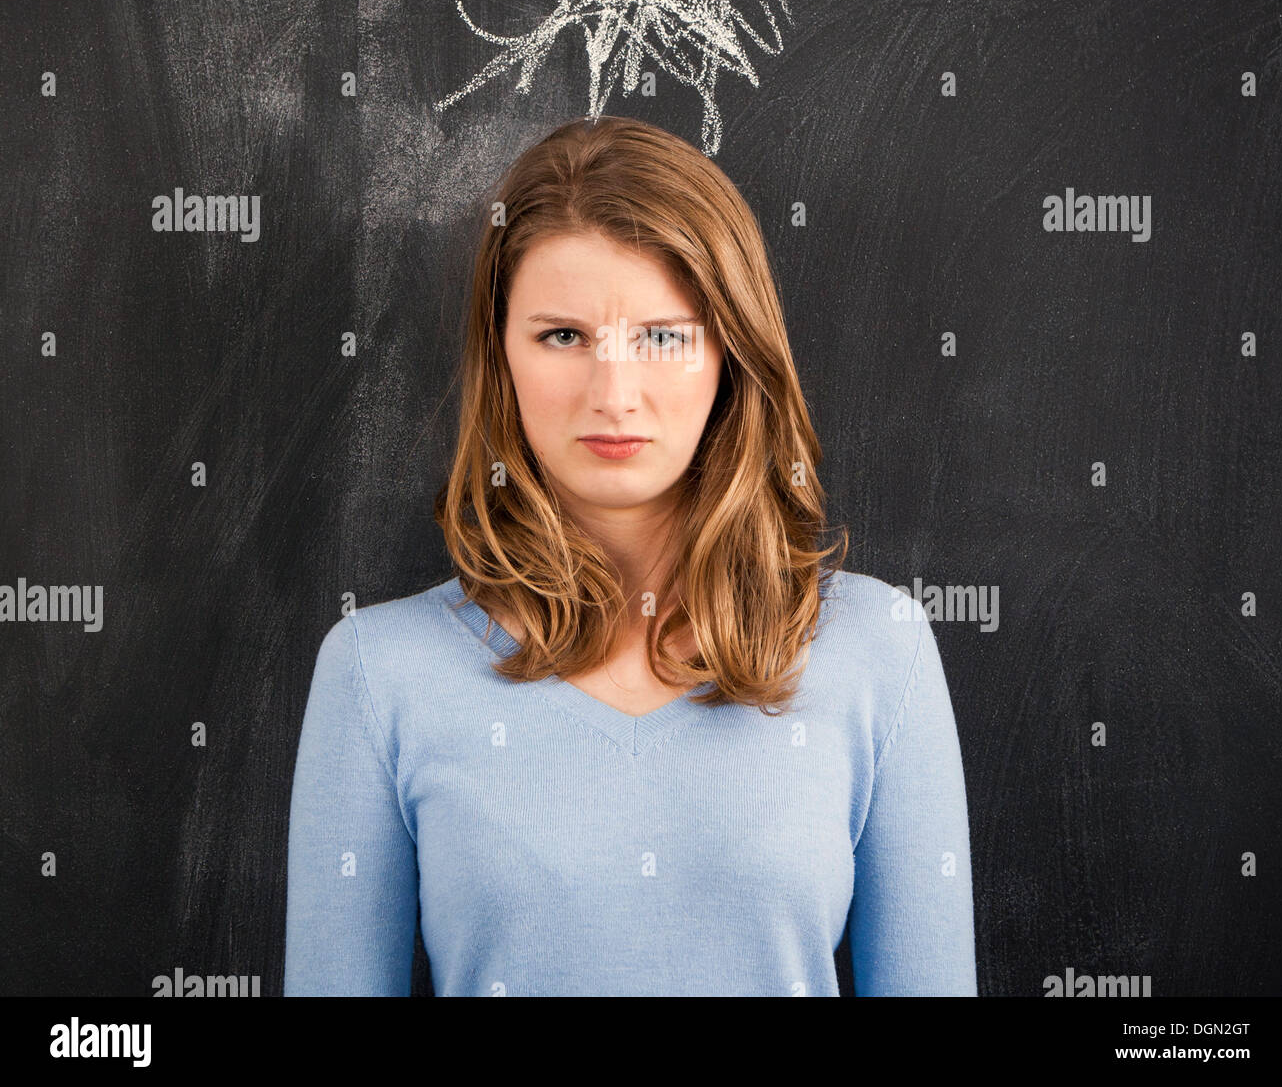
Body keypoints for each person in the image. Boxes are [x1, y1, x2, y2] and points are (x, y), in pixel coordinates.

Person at [284, 115, 976, 996]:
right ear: (502, 356)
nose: (614, 394)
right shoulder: (377, 674)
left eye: (663, 335)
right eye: (562, 336)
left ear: (732, 354)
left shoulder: (882, 651)